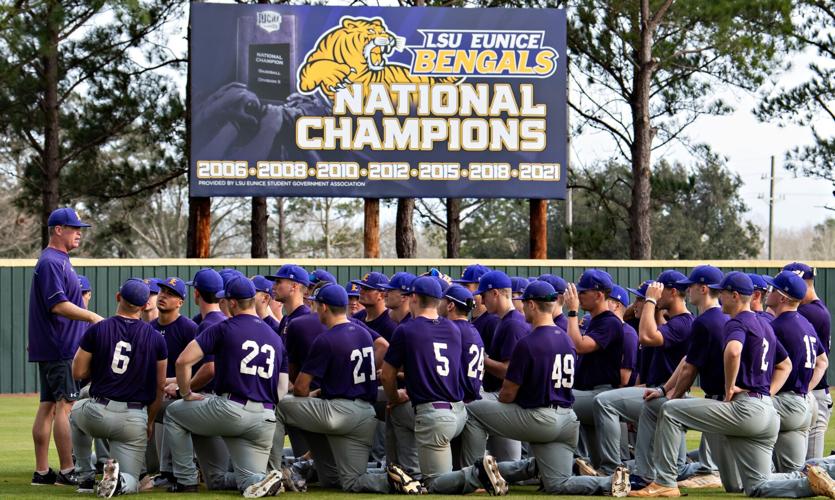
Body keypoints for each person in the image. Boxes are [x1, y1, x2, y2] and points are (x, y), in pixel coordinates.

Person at [433, 280, 630, 496]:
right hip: (567, 421)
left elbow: (507, 394)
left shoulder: (528, 342)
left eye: (524, 303)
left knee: (472, 411)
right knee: (558, 484)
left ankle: (478, 476)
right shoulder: (567, 339)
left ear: (533, 306)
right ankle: (609, 482)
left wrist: (501, 406)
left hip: (541, 419)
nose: (522, 307)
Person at [629, 272, 793, 498]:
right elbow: (785, 365)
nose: (720, 297)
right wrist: (767, 394)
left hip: (743, 409)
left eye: (723, 293)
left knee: (670, 410)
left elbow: (733, 351)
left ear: (735, 296)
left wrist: (729, 386)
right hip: (767, 411)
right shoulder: (763, 324)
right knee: (753, 486)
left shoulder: (735, 322)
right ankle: (812, 477)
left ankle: (665, 482)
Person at [274, 283, 421, 494]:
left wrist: (312, 394)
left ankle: (271, 472)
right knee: (347, 481)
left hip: (340, 413)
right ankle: (390, 482)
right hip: (364, 416)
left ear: (324, 307)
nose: (314, 309)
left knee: (281, 405)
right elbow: (380, 348)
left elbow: (299, 389)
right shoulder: (362, 333)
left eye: (316, 305)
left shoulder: (325, 339)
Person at [163, 275, 289, 497]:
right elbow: (282, 386)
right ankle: (265, 479)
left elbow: (183, 361)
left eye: (224, 300)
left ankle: (186, 481)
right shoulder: (275, 337)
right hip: (266, 417)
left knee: (174, 412)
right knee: (246, 482)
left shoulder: (223, 327)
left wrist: (186, 393)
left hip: (231, 409)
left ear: (232, 302)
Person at [630, 265, 726, 490]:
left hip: (724, 402)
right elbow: (687, 361)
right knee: (739, 479)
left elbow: (690, 368)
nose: (687, 290)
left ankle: (663, 480)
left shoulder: (706, 320)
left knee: (669, 410)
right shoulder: (710, 318)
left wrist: (674, 395)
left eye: (690, 286)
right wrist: (665, 391)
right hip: (722, 399)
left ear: (703, 289)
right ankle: (654, 473)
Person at [69, 278, 167, 497]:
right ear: (143, 306)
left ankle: (84, 477)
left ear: (118, 297)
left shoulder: (98, 329)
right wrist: (150, 421)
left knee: (75, 413)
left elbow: (78, 372)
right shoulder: (156, 338)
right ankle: (121, 481)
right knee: (134, 481)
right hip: (133, 417)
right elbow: (160, 385)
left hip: (99, 412)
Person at [29, 207, 103, 487]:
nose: (79, 234)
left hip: (54, 344)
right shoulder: (51, 261)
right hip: (61, 345)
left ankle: (42, 471)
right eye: (74, 229)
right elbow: (57, 305)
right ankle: (67, 469)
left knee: (47, 405)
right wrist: (92, 316)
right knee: (65, 405)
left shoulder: (58, 260)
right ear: (58, 230)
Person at [592, 271, 693, 475]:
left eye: (641, 297)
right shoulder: (669, 323)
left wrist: (649, 300)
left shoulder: (682, 322)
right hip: (656, 390)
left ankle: (611, 470)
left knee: (604, 402)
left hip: (668, 393)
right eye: (641, 297)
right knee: (668, 463)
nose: (640, 302)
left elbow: (647, 336)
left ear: (672, 292)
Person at [382, 277, 469, 493]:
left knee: (437, 485)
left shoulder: (407, 330)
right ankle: (409, 473)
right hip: (459, 412)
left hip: (435, 416)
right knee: (399, 412)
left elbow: (386, 376)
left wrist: (395, 397)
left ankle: (475, 474)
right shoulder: (453, 328)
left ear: (413, 298)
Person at [764, 271, 827, 472]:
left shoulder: (777, 326)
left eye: (772, 288)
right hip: (804, 401)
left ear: (782, 297)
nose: (768, 291)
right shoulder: (806, 324)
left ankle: (710, 470)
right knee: (795, 473)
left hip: (784, 402)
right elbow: (823, 361)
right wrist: (806, 388)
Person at [563, 269, 624, 471]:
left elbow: (578, 345)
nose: (578, 297)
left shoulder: (609, 322)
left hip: (601, 393)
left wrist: (572, 312)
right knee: (599, 465)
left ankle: (554, 466)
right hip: (588, 392)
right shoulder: (597, 320)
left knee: (553, 402)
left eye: (583, 292)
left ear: (598, 295)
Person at [148, 277, 199, 489]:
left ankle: (172, 472)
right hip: (154, 392)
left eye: (170, 293)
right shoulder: (149, 327)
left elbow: (197, 368)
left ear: (180, 302)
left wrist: (178, 385)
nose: (163, 296)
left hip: (180, 393)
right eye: (162, 291)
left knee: (171, 412)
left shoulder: (189, 328)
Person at [477, 270, 531, 462]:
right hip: (500, 396)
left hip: (507, 397)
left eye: (484, 295)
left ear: (495, 293)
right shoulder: (505, 321)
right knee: (506, 467)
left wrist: (480, 359)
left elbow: (510, 371)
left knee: (469, 406)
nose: (482, 302)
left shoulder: (513, 324)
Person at [783, 262, 833, 460]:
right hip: (812, 391)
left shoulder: (809, 312)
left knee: (811, 467)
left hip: (815, 391)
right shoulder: (812, 310)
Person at [453, 264, 498, 348]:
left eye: (465, 285)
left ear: (480, 287)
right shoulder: (472, 318)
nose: (461, 289)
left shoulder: (493, 321)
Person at [267, 264, 311, 342]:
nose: (273, 287)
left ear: (293, 286)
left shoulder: (306, 319)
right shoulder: (285, 319)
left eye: (278, 282)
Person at [351, 272, 397, 341]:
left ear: (381, 295)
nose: (361, 292)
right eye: (361, 288)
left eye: (366, 289)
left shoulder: (390, 324)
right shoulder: (357, 318)